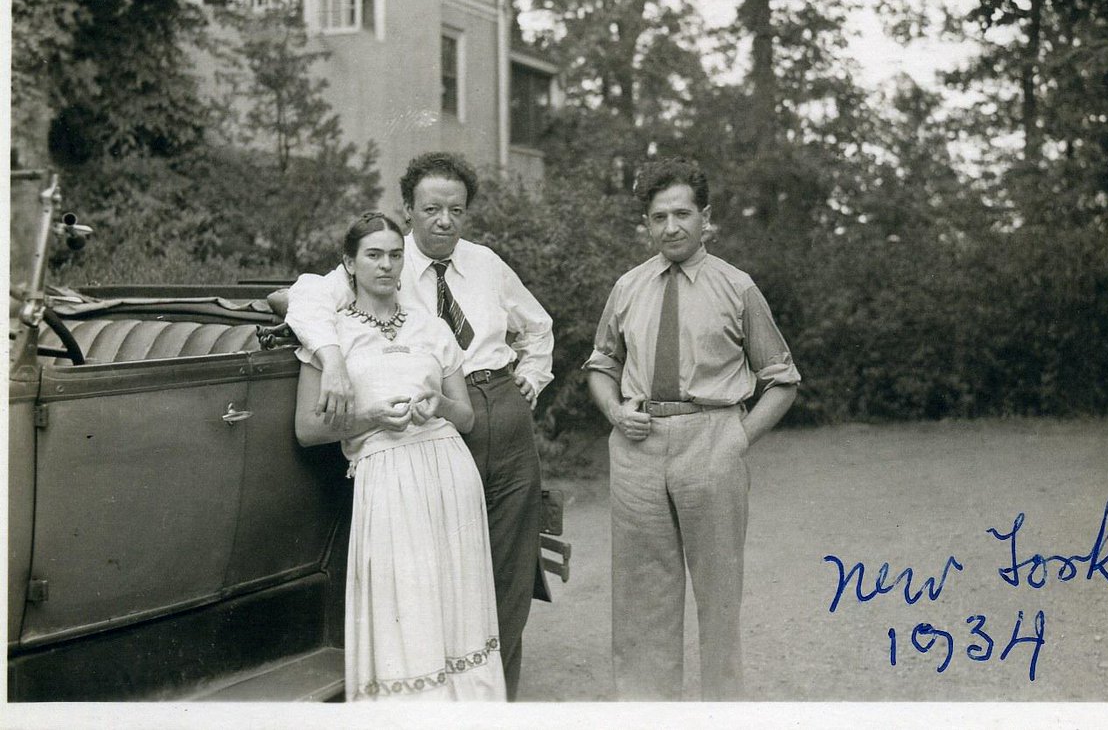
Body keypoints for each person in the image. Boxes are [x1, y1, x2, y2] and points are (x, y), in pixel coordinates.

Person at [286, 152, 553, 700]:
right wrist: (332, 358)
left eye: (456, 210)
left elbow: (538, 324)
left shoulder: (486, 263)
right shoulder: (382, 259)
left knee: (505, 562)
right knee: (430, 568)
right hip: (418, 429)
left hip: (494, 404)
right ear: (408, 210)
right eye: (431, 208)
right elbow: (305, 300)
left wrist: (530, 377)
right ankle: (431, 693)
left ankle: (496, 697)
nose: (444, 220)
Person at [584, 157, 801, 701]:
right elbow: (601, 366)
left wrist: (738, 438)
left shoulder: (737, 287)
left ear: (706, 218)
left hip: (712, 441)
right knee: (641, 598)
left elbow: (782, 379)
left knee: (718, 595)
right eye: (659, 217)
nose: (671, 227)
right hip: (637, 446)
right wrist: (615, 412)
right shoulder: (629, 287)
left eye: (682, 214)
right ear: (647, 224)